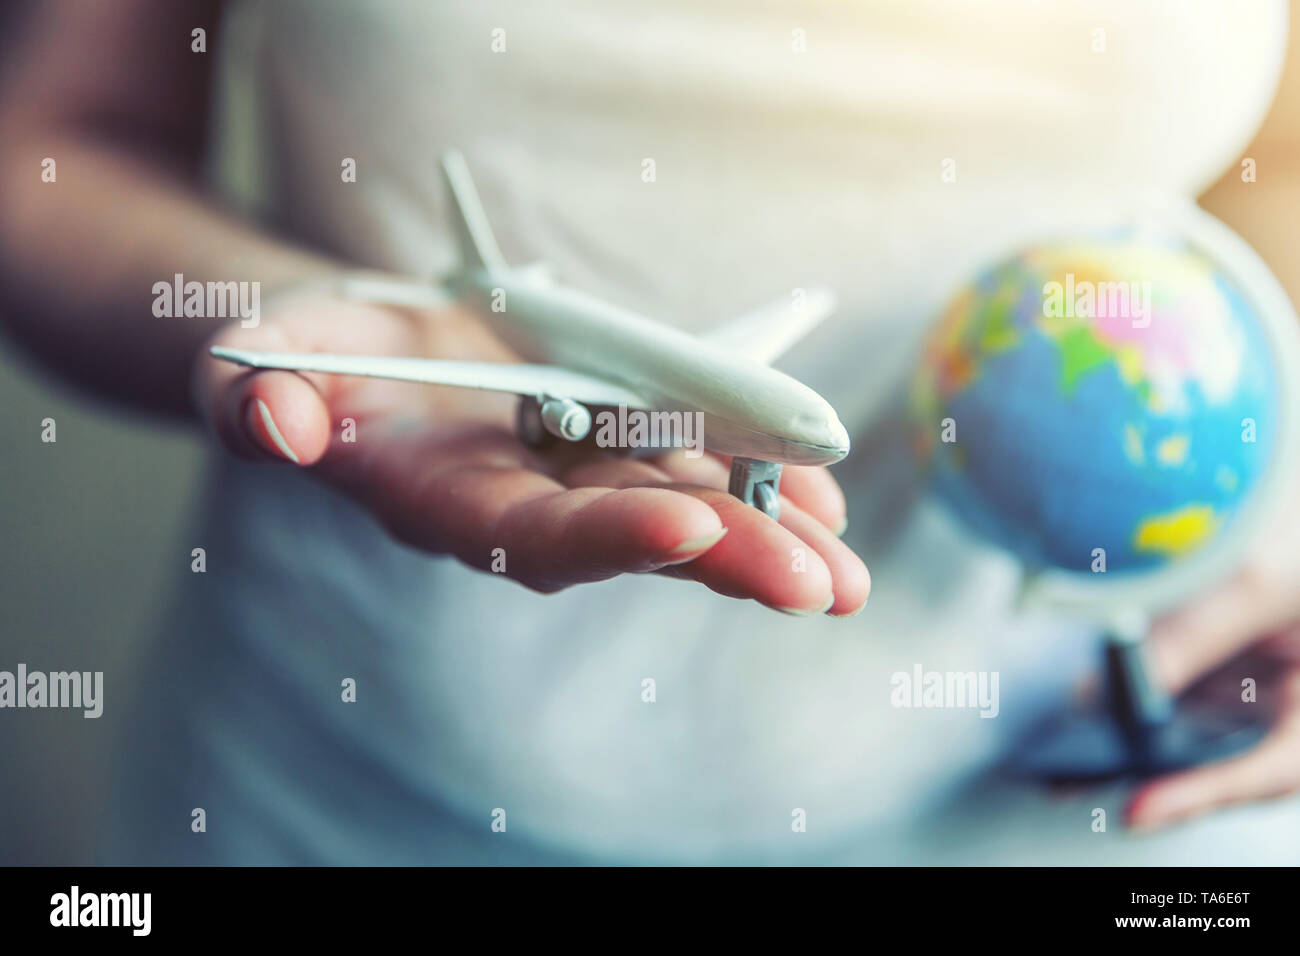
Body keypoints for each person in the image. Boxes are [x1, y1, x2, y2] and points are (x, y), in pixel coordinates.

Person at [1, 0, 1297, 864]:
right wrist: (295, 324)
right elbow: (50, 152)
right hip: (363, 793)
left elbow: (1276, 159)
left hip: (1092, 793)